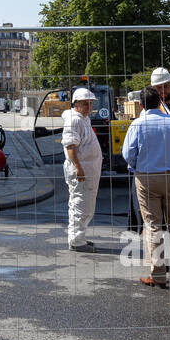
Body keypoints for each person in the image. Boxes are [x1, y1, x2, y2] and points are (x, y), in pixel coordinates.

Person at [122, 86, 170, 286]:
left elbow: (128, 153)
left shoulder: (138, 124)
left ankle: (158, 275)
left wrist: (136, 166)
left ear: (140, 104)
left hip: (148, 177)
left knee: (152, 225)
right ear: (160, 101)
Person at [62, 87, 102, 251]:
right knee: (81, 206)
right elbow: (71, 145)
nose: (88, 107)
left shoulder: (83, 119)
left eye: (90, 103)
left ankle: (79, 238)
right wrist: (78, 167)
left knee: (82, 205)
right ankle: (77, 241)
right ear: (76, 104)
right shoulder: (75, 120)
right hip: (82, 172)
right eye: (85, 104)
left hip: (87, 170)